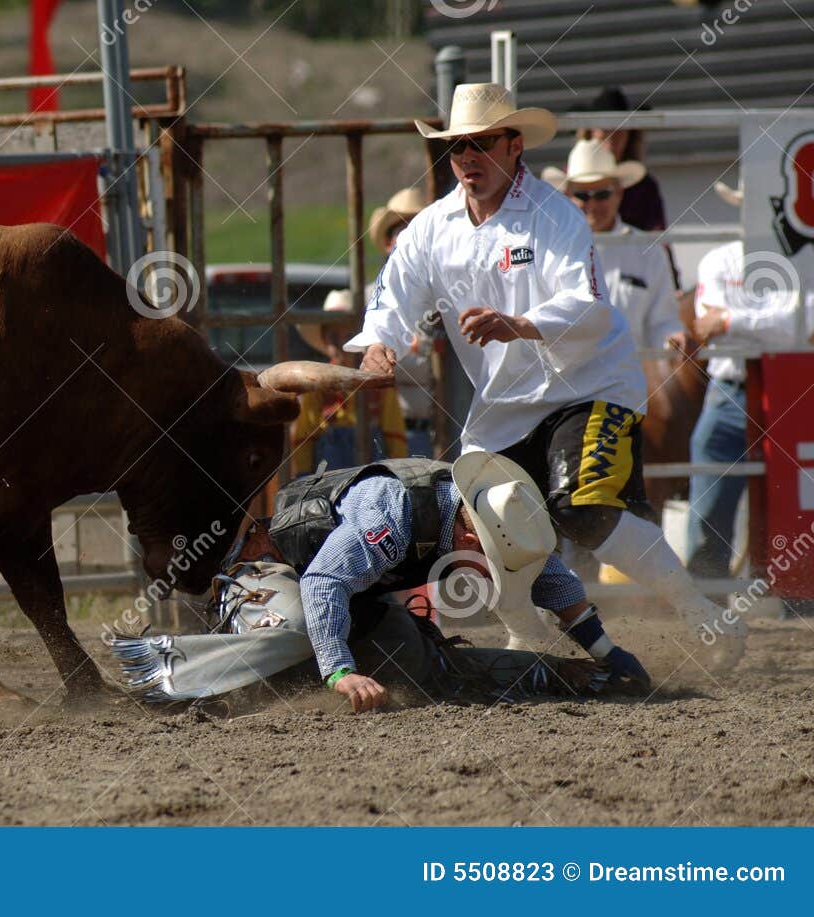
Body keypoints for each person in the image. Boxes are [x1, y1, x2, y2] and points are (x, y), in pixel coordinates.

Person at [349, 82, 745, 670]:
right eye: (458, 147)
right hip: (503, 401)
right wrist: (378, 342)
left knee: (581, 510)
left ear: (514, 146)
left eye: (481, 144)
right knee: (487, 523)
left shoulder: (554, 215)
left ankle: (698, 614)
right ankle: (527, 634)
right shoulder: (432, 228)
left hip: (588, 385)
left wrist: (519, 324)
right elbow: (392, 292)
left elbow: (587, 305)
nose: (466, 159)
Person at [109, 454, 619, 712]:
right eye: (488, 559)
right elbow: (325, 581)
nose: (490, 573)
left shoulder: (486, 513)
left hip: (351, 596)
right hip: (270, 574)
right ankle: (166, 671)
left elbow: (546, 574)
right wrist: (339, 673)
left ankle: (558, 675)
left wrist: (607, 653)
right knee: (305, 621)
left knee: (420, 667)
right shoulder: (393, 512)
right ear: (469, 531)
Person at [685, 188, 811, 579]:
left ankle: (796, 592)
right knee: (710, 502)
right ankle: (708, 592)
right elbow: (709, 327)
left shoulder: (804, 259)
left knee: (796, 498)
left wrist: (730, 322)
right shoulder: (719, 260)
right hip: (737, 390)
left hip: (790, 390)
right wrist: (774, 327)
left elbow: (802, 329)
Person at [545, 138, 681, 352]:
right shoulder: (547, 250)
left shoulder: (649, 251)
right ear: (567, 196)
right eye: (582, 195)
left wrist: (673, 339)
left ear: (619, 192)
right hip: (567, 378)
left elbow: (663, 322)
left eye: (602, 194)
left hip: (627, 378)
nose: (592, 204)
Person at [293, 289, 408, 475]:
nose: (340, 344)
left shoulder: (378, 379)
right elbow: (305, 436)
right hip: (328, 472)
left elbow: (393, 431)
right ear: (324, 339)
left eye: (347, 337)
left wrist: (399, 471)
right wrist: (304, 475)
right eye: (333, 337)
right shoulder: (317, 383)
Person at [369, 186, 438, 457]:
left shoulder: (448, 291)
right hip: (399, 431)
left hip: (452, 425)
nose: (413, 240)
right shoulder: (372, 302)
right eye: (404, 231)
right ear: (389, 242)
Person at [572, 86, 667, 232]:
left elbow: (656, 234)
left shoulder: (644, 186)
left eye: (619, 132)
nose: (611, 141)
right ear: (590, 132)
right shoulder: (571, 179)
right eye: (582, 194)